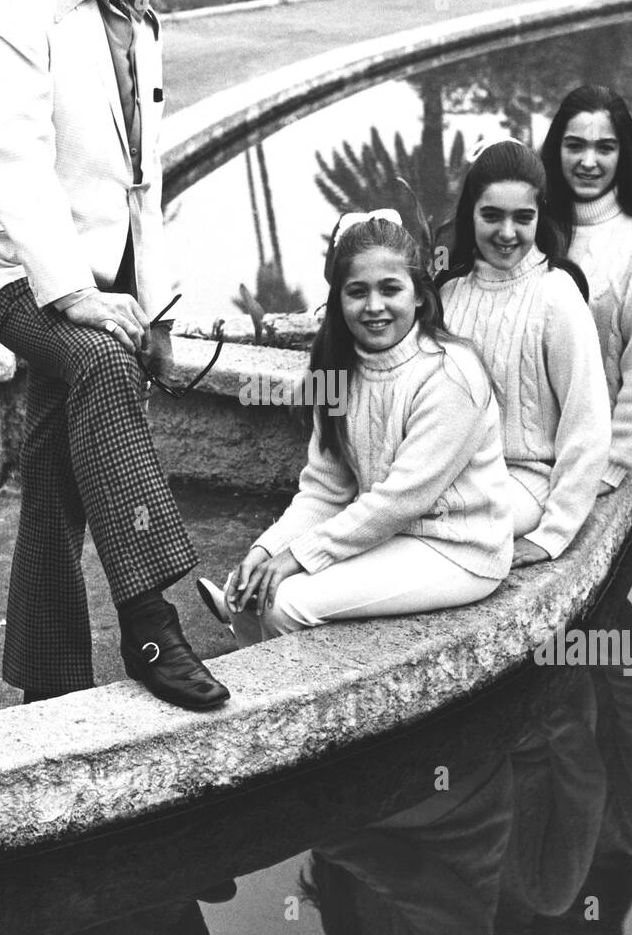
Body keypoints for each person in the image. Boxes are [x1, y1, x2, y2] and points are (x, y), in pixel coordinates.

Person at [0, 0, 228, 711]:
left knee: (53, 487)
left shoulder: (139, 14)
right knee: (103, 363)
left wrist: (159, 309)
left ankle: (49, 680)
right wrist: (77, 297)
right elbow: (12, 160)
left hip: (101, 284)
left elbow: (144, 180)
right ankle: (151, 622)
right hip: (13, 275)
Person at [198, 211, 514, 647]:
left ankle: (297, 704)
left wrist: (299, 557)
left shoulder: (451, 374)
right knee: (259, 586)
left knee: (283, 602)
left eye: (390, 289)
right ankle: (249, 685)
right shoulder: (338, 370)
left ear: (420, 296)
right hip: (390, 534)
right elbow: (325, 489)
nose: (374, 307)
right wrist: (267, 550)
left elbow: (399, 501)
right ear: (339, 299)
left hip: (458, 548)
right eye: (357, 292)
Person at [437, 140, 611, 567]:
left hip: (526, 483)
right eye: (491, 215)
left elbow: (586, 423)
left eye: (523, 217)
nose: (507, 232)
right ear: (470, 214)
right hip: (450, 472)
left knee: (421, 524)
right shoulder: (448, 292)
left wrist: (552, 535)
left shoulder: (556, 295)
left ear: (540, 217)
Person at [540, 85, 632, 495]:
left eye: (604, 148)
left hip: (590, 461)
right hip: (525, 453)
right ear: (557, 150)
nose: (588, 161)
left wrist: (609, 468)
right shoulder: (530, 229)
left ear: (624, 155)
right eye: (575, 146)